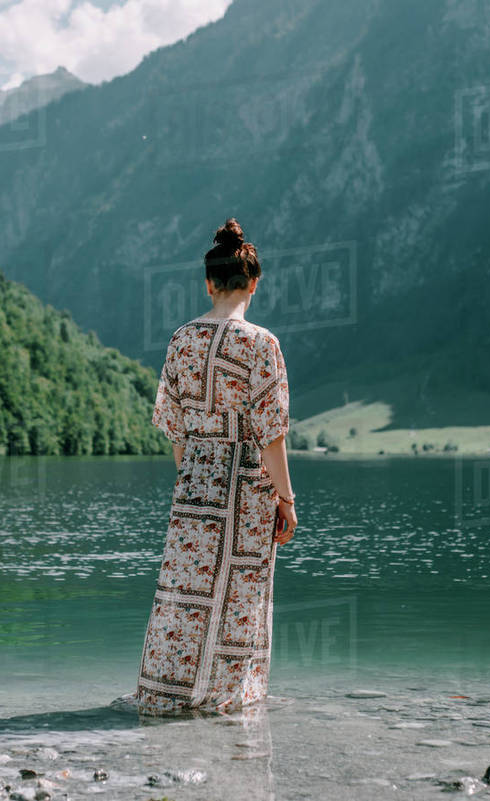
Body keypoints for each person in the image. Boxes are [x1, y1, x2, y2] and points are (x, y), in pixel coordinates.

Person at [119, 218, 296, 717]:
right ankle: (229, 696)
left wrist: (194, 470)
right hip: (245, 485)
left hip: (195, 478)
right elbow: (272, 432)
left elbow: (174, 427)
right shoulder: (263, 344)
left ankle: (167, 691)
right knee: (241, 593)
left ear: (208, 283)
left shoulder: (181, 339)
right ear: (254, 283)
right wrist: (286, 499)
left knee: (184, 593)